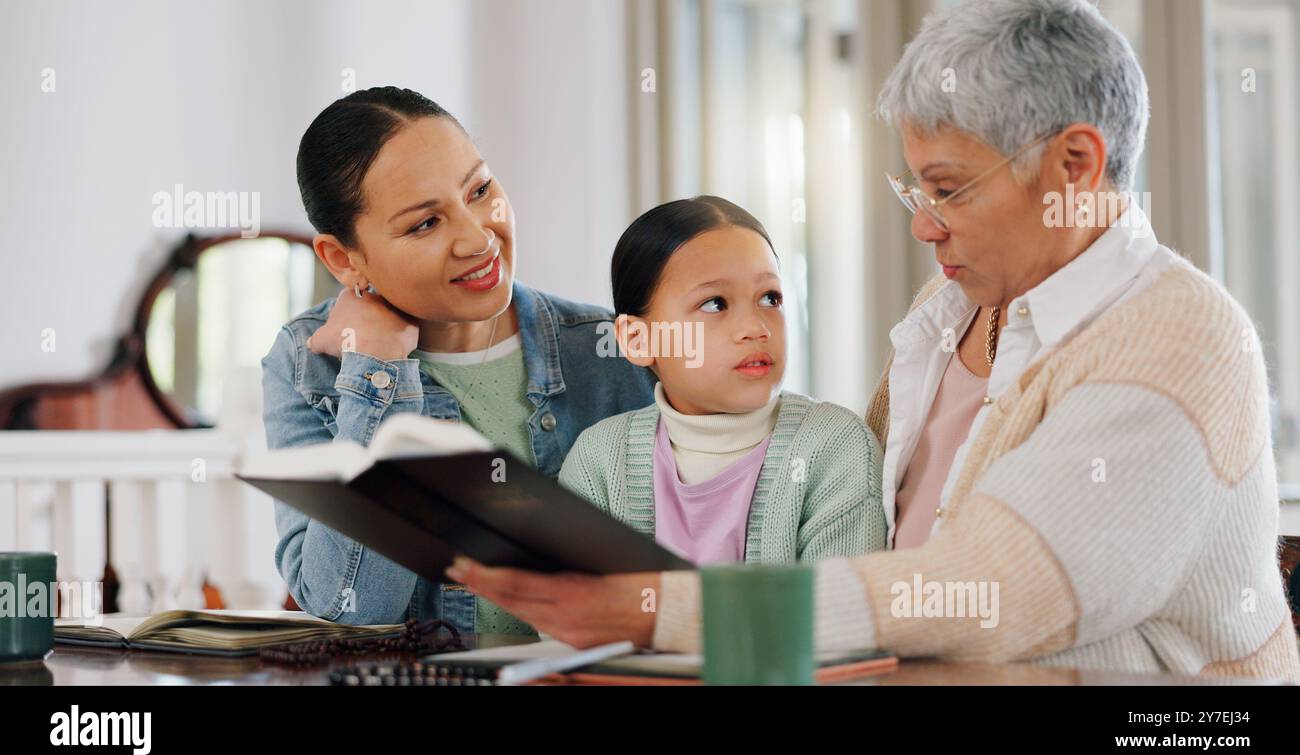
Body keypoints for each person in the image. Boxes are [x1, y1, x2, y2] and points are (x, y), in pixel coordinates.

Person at [447, 0, 1300, 681]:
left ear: (1074, 165)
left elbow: (992, 591)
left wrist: (659, 609)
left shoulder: (1179, 336)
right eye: (914, 189)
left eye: (951, 188)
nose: (926, 226)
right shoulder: (952, 308)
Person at [262, 87, 655, 634]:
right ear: (344, 259)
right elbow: (352, 607)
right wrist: (380, 373)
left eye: (480, 190)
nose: (478, 238)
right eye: (425, 223)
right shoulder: (308, 367)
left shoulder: (611, 351)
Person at [558, 195, 887, 564]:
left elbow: (835, 617)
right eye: (715, 303)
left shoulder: (836, 447)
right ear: (638, 339)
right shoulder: (599, 461)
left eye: (770, 298)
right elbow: (573, 617)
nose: (756, 328)